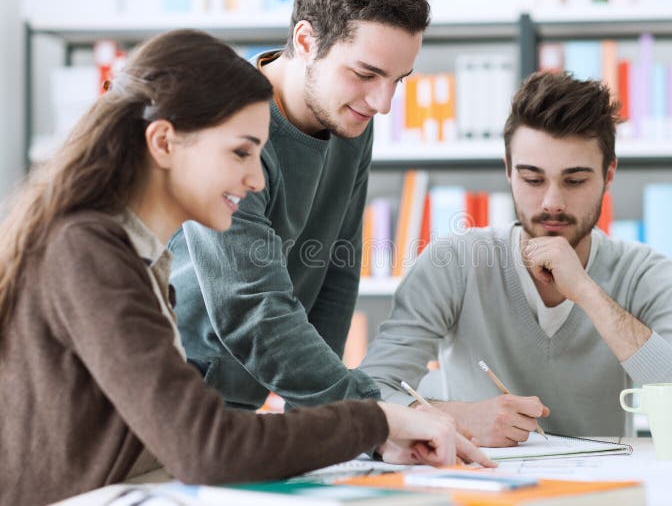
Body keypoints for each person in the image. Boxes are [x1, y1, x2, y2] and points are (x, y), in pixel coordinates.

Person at [0, 29, 488, 506]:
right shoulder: (87, 252)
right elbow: (206, 447)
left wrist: (371, 425)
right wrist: (375, 420)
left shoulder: (135, 253)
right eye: (240, 152)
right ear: (164, 143)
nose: (257, 179)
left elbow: (187, 439)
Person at [359, 71, 672, 446]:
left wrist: (587, 292)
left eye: (575, 181)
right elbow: (366, 395)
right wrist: (458, 418)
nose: (552, 202)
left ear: (608, 175)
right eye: (533, 179)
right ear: (508, 172)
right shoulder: (453, 262)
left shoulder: (648, 274)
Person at [168, 0, 429, 411]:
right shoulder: (225, 123)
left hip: (243, 404)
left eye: (398, 80)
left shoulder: (351, 122)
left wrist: (328, 420)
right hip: (175, 396)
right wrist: (372, 417)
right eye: (366, 74)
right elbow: (249, 307)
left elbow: (335, 272)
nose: (383, 103)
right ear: (306, 40)